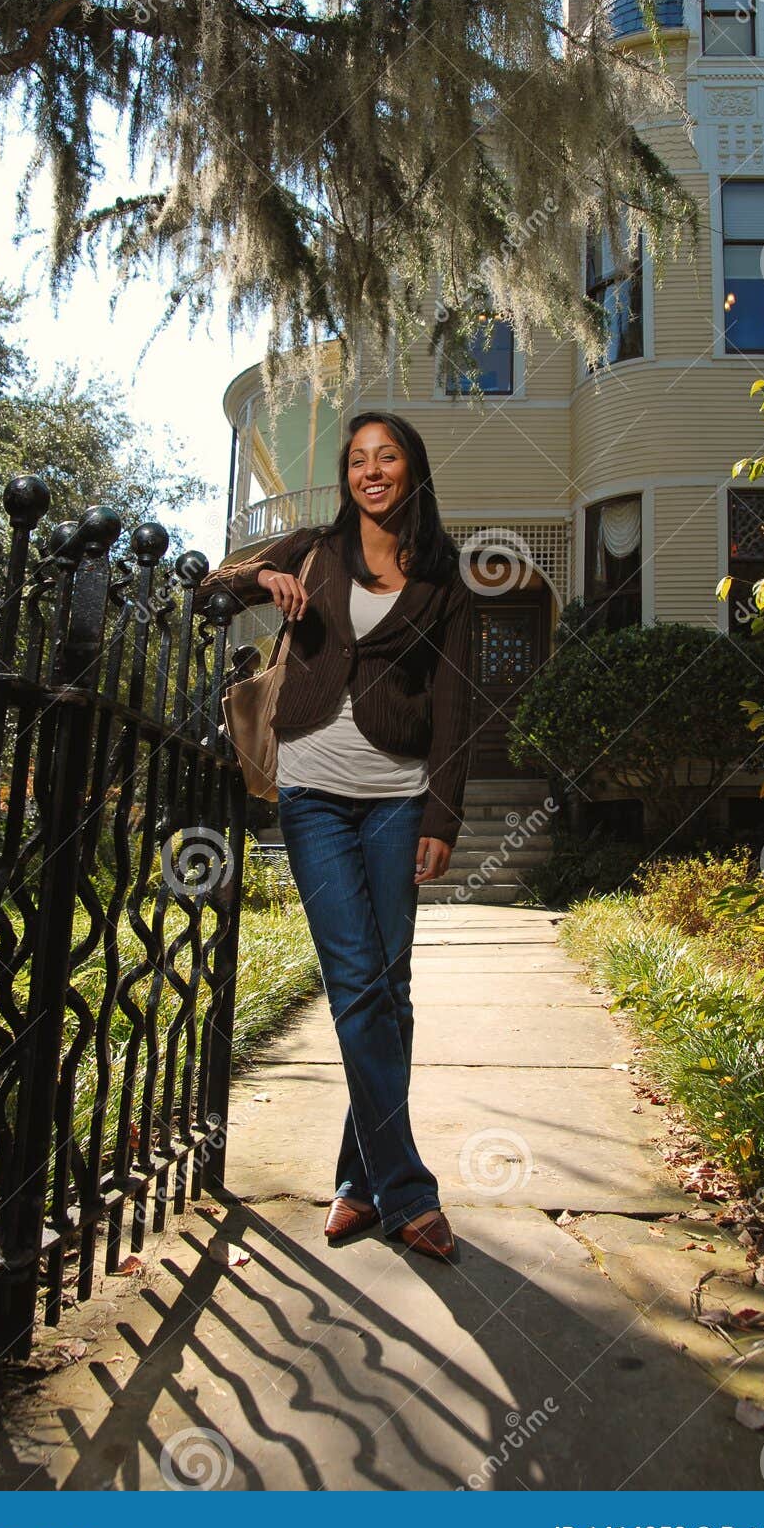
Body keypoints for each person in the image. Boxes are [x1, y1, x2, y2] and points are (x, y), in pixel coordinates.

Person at [197, 412, 475, 1263]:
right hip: (314, 791)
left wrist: (442, 813)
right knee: (357, 981)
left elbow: (458, 698)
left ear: (411, 469)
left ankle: (358, 1179)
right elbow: (207, 592)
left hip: (397, 796)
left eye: (386, 455)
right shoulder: (313, 547)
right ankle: (407, 1190)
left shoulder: (443, 570)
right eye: (356, 459)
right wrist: (258, 584)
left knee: (389, 991)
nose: (370, 470)